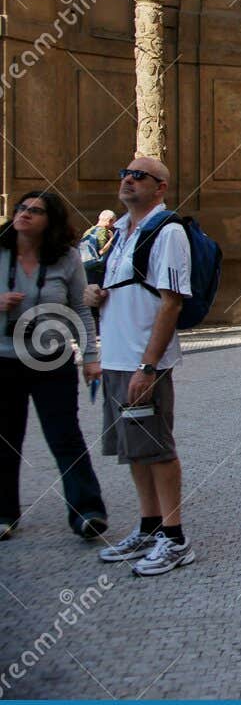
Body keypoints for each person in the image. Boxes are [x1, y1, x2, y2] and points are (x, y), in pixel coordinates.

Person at [85, 158, 194, 577]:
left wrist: (148, 366)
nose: (127, 180)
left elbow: (171, 301)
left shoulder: (167, 232)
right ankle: (150, 526)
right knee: (134, 451)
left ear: (160, 187)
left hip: (141, 361)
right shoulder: (121, 233)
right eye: (124, 174)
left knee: (157, 449)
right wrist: (97, 295)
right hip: (116, 358)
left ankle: (175, 537)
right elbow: (129, 289)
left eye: (138, 176)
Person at [0, 191, 106, 542]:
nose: (25, 214)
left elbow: (79, 308)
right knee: (5, 438)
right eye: (21, 208)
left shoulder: (67, 258)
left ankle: (87, 511)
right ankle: (4, 514)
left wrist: (90, 356)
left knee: (65, 436)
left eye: (35, 210)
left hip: (52, 359)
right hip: (3, 359)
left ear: (51, 221)